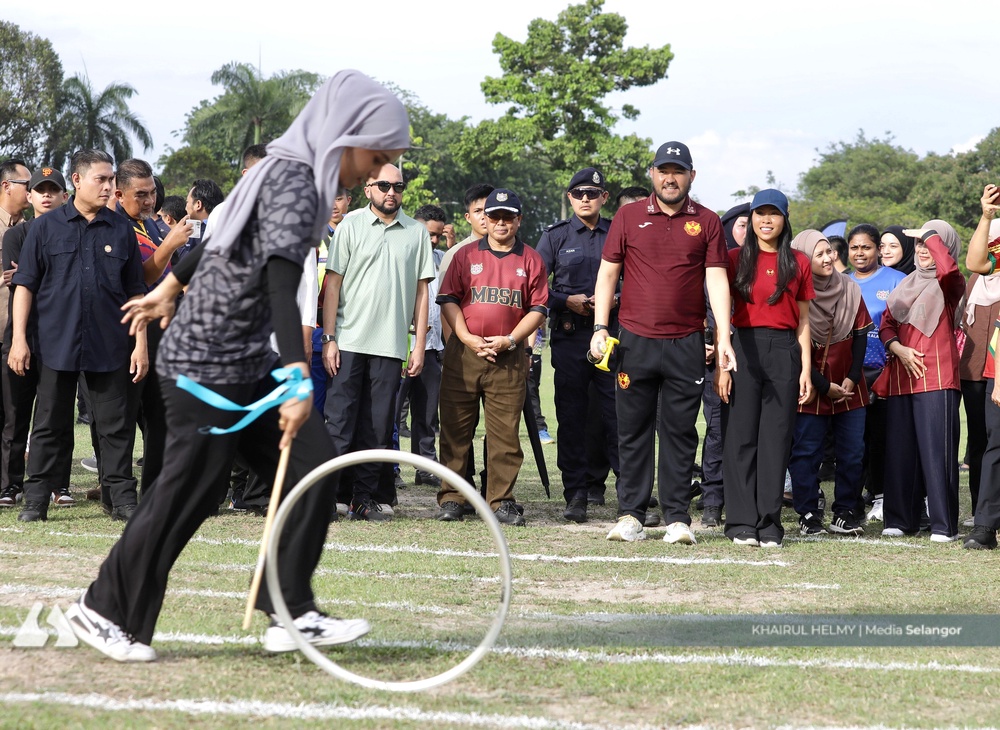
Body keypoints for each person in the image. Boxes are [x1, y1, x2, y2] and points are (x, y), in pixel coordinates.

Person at [64, 70, 410, 663]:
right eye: (374, 153)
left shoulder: (286, 171)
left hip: (244, 361)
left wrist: (169, 284)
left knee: (313, 467)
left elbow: (216, 242)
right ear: (344, 136)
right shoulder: (298, 179)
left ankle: (290, 610)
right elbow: (280, 278)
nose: (374, 168)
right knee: (188, 492)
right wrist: (300, 377)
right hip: (207, 361)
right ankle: (103, 608)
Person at [590, 141, 735, 544]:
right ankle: (632, 514)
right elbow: (607, 275)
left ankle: (677, 518)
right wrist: (601, 327)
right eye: (664, 170)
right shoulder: (628, 215)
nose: (670, 178)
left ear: (691, 176)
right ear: (652, 173)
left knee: (680, 431)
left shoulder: (707, 221)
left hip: (686, 343)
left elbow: (717, 280)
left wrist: (723, 336)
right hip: (634, 340)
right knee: (632, 430)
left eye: (679, 171)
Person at [11, 150, 148, 523]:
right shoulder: (45, 227)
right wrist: (20, 340)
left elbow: (136, 291)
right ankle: (36, 499)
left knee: (115, 427)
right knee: (49, 426)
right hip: (55, 343)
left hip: (111, 344)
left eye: (111, 180)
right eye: (101, 180)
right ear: (77, 180)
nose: (109, 187)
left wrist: (140, 344)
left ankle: (120, 499)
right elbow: (24, 286)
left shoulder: (122, 229)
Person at [321, 163, 433, 521]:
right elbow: (333, 285)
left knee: (378, 426)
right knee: (338, 423)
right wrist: (329, 338)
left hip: (391, 346)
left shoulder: (416, 232)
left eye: (398, 186)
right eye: (383, 185)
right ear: (368, 188)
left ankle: (364, 498)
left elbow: (421, 292)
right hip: (349, 341)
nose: (391, 192)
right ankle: (328, 496)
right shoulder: (351, 225)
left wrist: (418, 345)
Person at [435, 188, 547, 526]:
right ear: (484, 219)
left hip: (508, 355)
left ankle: (499, 500)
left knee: (504, 435)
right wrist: (467, 338)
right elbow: (449, 300)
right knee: (455, 428)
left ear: (518, 220)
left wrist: (511, 339)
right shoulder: (465, 255)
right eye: (494, 216)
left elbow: (538, 308)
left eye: (507, 217)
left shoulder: (531, 259)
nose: (500, 223)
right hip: (465, 352)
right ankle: (453, 497)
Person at [717, 189, 814, 548]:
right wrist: (723, 365)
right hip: (742, 346)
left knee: (775, 441)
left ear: (785, 219)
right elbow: (721, 312)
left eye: (774, 214)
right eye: (760, 214)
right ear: (751, 218)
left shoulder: (799, 262)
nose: (766, 220)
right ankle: (741, 522)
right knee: (740, 438)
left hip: (784, 349)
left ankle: (769, 523)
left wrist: (805, 368)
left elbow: (804, 319)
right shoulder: (732, 258)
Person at [874, 221, 965, 541]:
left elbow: (949, 271)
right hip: (900, 377)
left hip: (937, 378)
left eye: (932, 245)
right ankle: (900, 519)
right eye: (921, 246)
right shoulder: (904, 285)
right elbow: (886, 325)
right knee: (900, 452)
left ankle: (943, 525)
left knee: (936, 453)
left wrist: (928, 235)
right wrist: (897, 348)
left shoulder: (949, 284)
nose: (924, 250)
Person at [536, 167, 618, 523]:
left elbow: (637, 278)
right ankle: (577, 495)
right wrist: (565, 300)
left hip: (614, 338)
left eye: (592, 192)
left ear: (604, 197)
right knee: (571, 417)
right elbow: (537, 286)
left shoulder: (617, 232)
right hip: (570, 337)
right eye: (578, 193)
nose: (585, 198)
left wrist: (613, 298)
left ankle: (630, 497)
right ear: (570, 198)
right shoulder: (554, 236)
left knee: (618, 417)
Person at [787, 230, 872, 536]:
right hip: (811, 384)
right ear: (803, 259)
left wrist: (851, 378)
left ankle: (845, 511)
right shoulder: (795, 293)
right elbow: (795, 347)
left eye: (829, 252)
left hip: (851, 385)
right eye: (819, 254)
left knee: (852, 452)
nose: (828, 258)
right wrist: (823, 385)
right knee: (807, 452)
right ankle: (808, 513)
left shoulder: (849, 287)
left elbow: (861, 335)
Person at [0, 167, 69, 508]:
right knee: (15, 414)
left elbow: (26, 277)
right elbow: (18, 278)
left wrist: (31, 276)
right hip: (19, 335)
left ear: (64, 197)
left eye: (53, 190)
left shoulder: (75, 233)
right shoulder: (17, 234)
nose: (46, 195)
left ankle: (59, 483)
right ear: (29, 197)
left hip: (60, 337)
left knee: (55, 414)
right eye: (39, 190)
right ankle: (10, 485)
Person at [847, 223, 907, 522]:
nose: (860, 253)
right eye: (854, 247)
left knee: (882, 439)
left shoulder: (897, 280)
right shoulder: (840, 281)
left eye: (866, 247)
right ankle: (852, 500)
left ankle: (882, 497)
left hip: (886, 372)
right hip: (849, 375)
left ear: (877, 250)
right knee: (853, 441)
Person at [398, 204, 447, 486]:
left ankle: (425, 466)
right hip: (401, 346)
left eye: (438, 235)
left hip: (431, 347)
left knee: (426, 413)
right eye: (429, 234)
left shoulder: (440, 259)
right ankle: (387, 467)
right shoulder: (401, 255)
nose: (433, 241)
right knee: (390, 412)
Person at [963, 182, 1000, 549]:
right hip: (993, 370)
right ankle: (985, 526)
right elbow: (975, 264)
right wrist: (988, 216)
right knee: (993, 445)